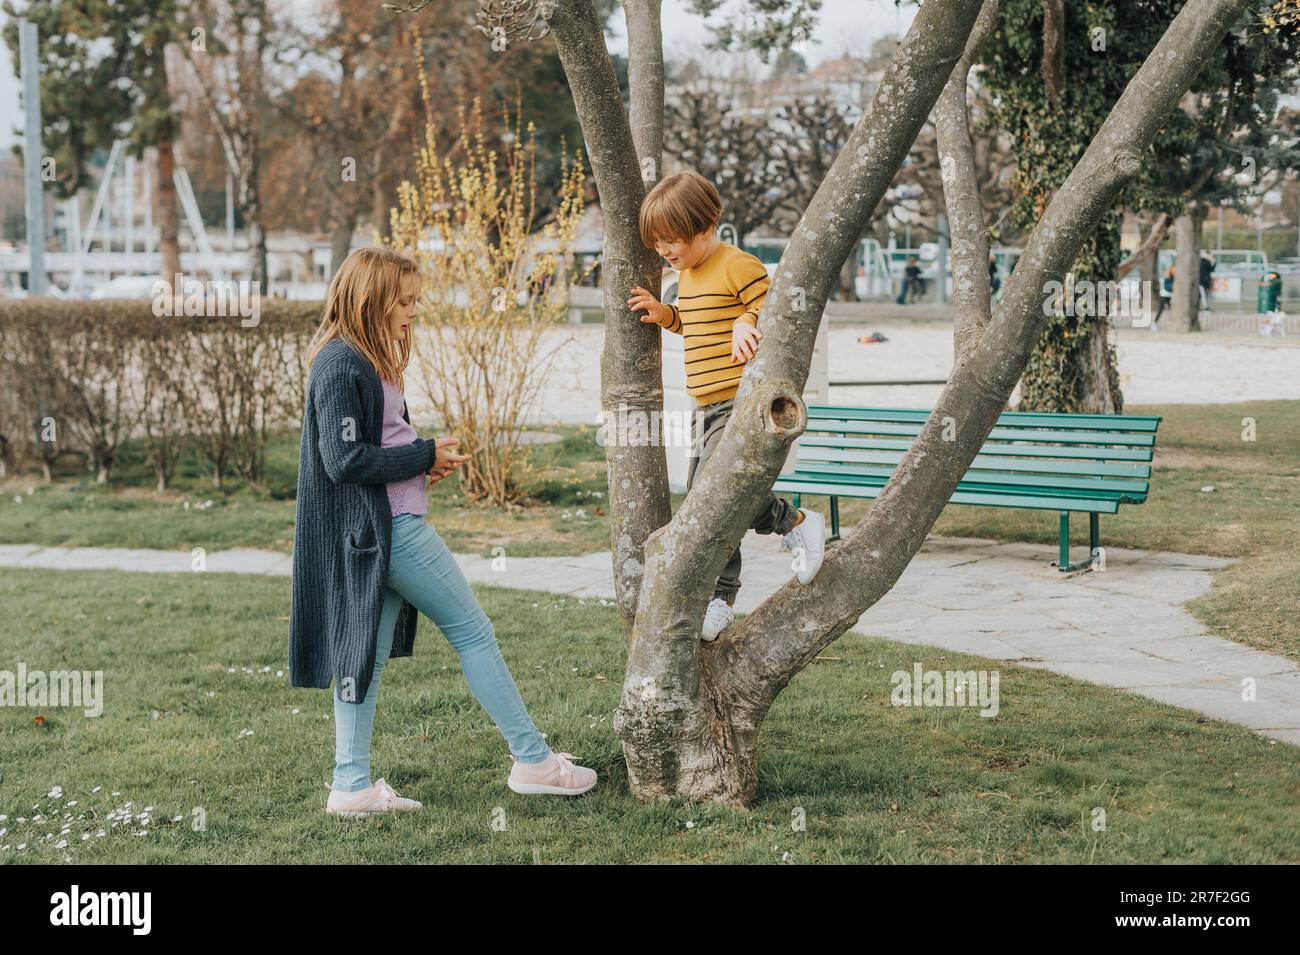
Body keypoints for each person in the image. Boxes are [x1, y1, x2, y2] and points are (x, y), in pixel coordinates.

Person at [289, 246, 597, 817]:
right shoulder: (341, 363)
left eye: (415, 300)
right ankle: (533, 761)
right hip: (388, 530)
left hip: (383, 528)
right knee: (473, 632)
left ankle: (350, 788)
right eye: (403, 302)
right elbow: (343, 460)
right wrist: (423, 455)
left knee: (367, 660)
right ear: (371, 301)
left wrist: (424, 460)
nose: (413, 311)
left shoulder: (367, 359)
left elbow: (380, 442)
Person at [625, 171, 826, 642]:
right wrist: (666, 315)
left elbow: (773, 310)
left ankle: (721, 596)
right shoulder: (687, 276)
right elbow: (697, 325)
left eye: (671, 241)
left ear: (703, 225)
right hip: (705, 407)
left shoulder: (738, 264)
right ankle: (794, 522)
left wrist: (746, 320)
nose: (665, 252)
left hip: (738, 404)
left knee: (715, 501)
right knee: (706, 500)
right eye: (657, 245)